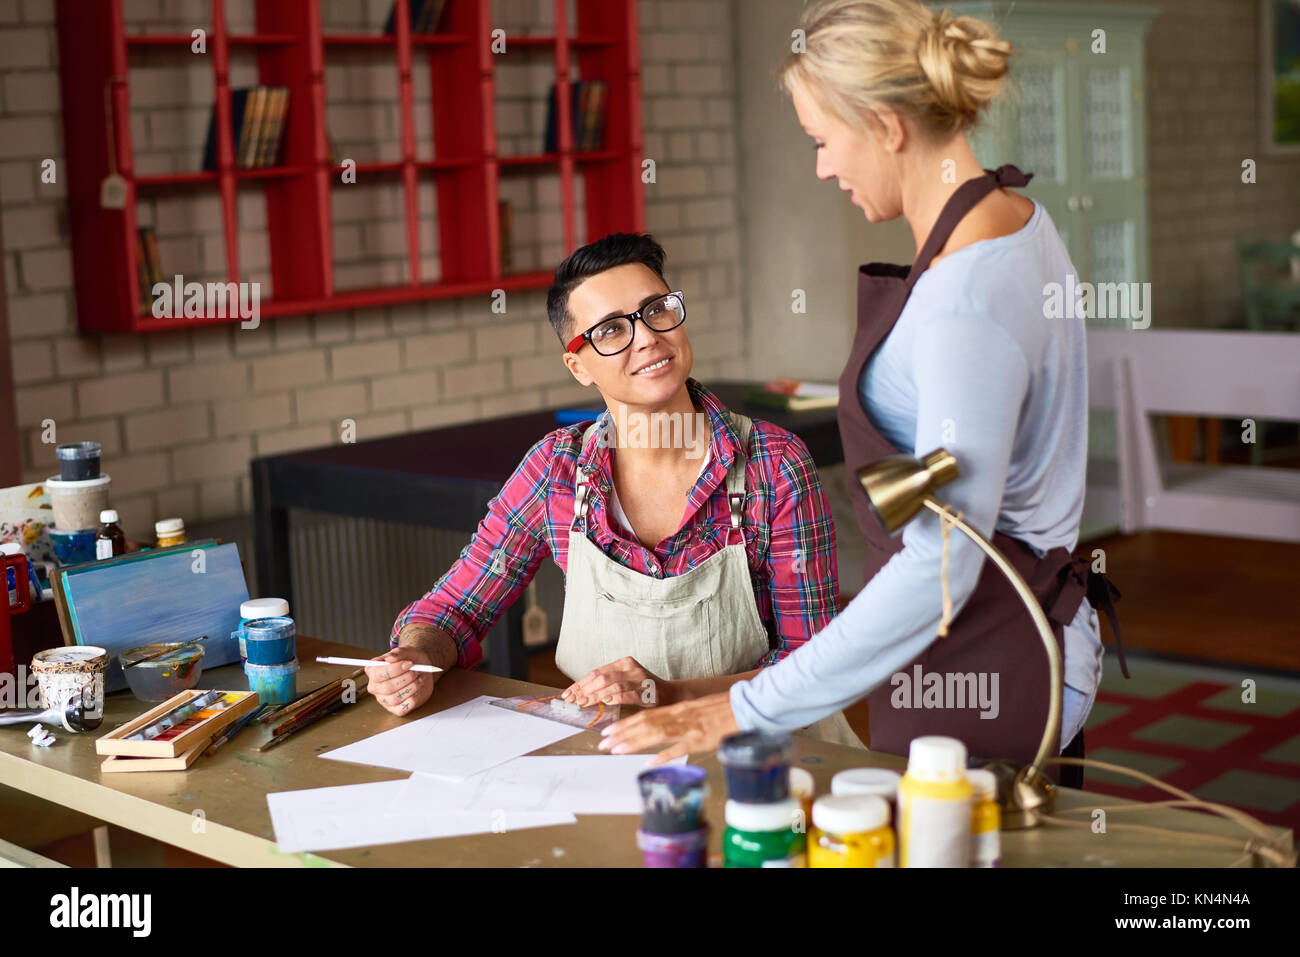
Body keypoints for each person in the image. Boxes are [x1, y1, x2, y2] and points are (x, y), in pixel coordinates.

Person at [600, 0, 1124, 784]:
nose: (822, 167)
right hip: (1008, 634)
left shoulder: (963, 298)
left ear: (885, 123)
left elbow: (942, 560)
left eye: (822, 140)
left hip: (993, 654)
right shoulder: (1019, 219)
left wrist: (745, 706)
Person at [367, 232, 864, 748]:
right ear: (578, 365)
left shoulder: (773, 464)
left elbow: (814, 669)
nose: (646, 337)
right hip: (613, 758)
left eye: (655, 310)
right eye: (610, 330)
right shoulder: (555, 470)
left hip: (766, 760)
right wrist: (417, 658)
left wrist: (666, 695)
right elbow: (452, 611)